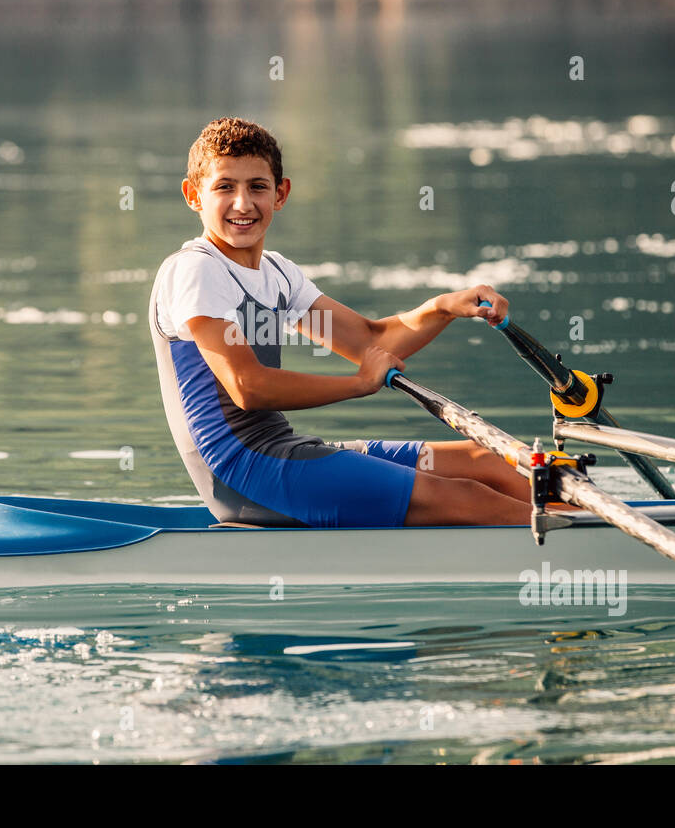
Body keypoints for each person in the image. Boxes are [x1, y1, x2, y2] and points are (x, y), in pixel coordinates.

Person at [149, 116, 534, 528]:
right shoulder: (194, 270)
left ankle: (585, 526)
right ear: (194, 195)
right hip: (242, 475)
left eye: (257, 187)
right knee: (467, 496)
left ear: (281, 194)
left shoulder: (277, 272)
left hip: (285, 452)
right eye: (225, 187)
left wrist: (442, 307)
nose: (243, 204)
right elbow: (248, 387)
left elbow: (371, 340)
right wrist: (358, 384)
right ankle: (573, 547)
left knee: (493, 463)